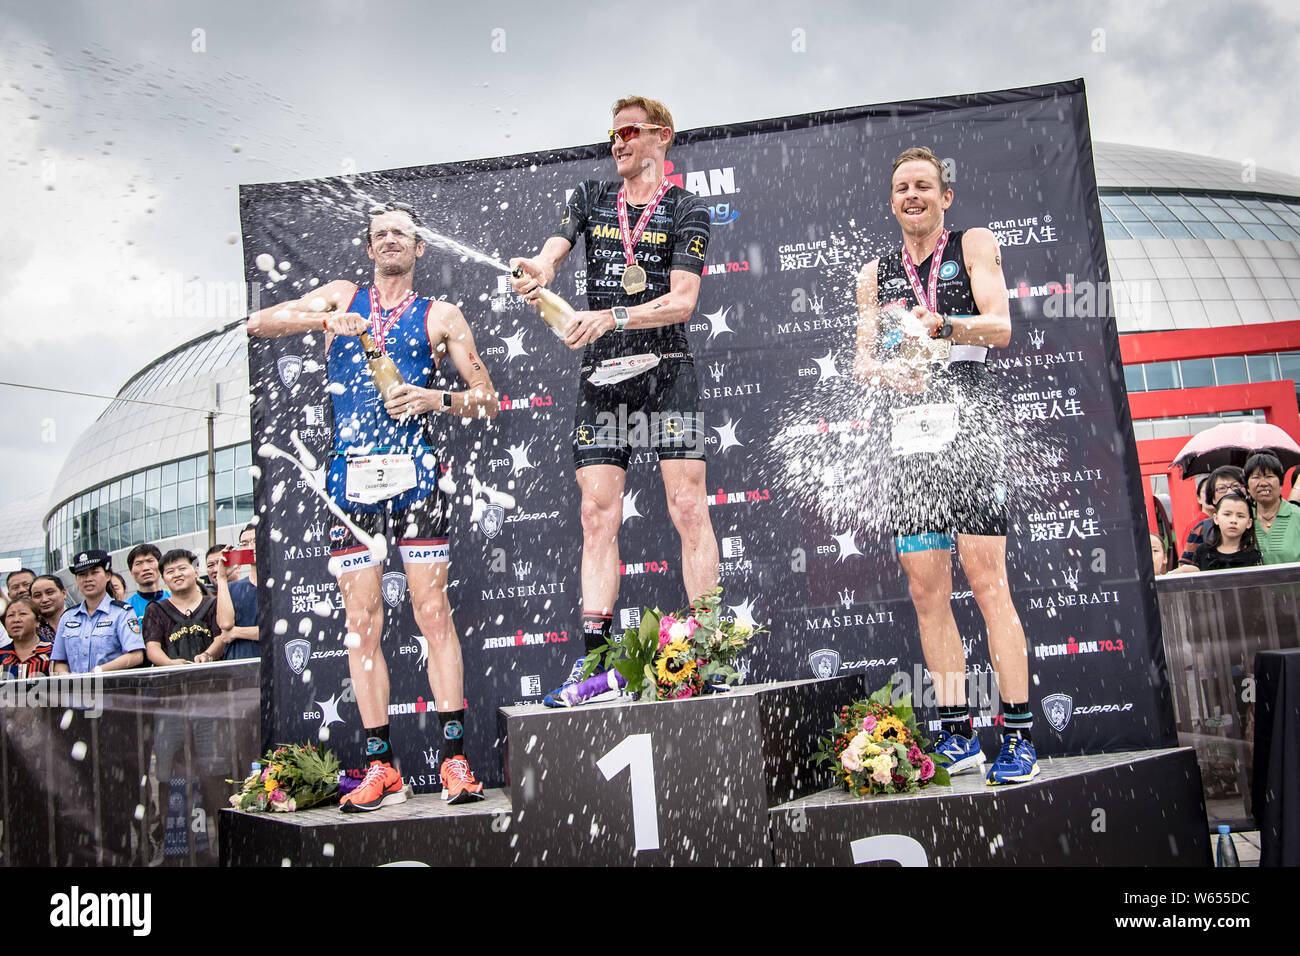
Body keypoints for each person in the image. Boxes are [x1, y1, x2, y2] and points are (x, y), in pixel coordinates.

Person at [247, 199, 499, 810]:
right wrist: (320, 322)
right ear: (367, 249)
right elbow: (260, 323)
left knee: (431, 612)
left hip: (415, 478)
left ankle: (454, 761)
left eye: (401, 234)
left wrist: (434, 400)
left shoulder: (442, 314)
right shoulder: (339, 297)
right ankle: (381, 767)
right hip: (348, 486)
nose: (389, 240)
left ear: (419, 249)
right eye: (379, 233)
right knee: (363, 624)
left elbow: (487, 398)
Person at [509, 94, 718, 707]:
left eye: (630, 132)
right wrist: (540, 269)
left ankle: (706, 651)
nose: (618, 142)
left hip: (667, 368)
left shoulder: (687, 209)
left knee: (687, 507)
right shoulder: (591, 198)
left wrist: (613, 315)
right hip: (605, 379)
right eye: (613, 133)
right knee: (597, 514)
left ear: (663, 137)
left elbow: (683, 302)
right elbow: (553, 250)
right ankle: (595, 663)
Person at [853, 146, 1036, 785]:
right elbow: (863, 363)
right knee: (928, 591)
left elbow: (1001, 326)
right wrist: (893, 372)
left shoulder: (973, 244)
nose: (912, 195)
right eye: (902, 186)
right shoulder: (876, 273)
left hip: (972, 433)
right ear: (892, 198)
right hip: (911, 442)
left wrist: (945, 328)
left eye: (924, 186)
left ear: (944, 197)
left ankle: (1017, 736)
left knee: (989, 586)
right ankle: (958, 736)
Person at [51, 550, 144, 674]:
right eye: (82, 575)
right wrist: (68, 678)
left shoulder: (122, 612)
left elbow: (136, 655)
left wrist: (99, 670)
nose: (88, 579)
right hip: (76, 691)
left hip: (111, 689)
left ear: (108, 576)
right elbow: (59, 661)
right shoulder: (68, 617)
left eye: (94, 573)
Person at [143, 550, 224, 666]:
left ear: (196, 572)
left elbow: (221, 637)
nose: (177, 574)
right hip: (171, 679)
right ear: (164, 578)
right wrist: (169, 664)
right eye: (170, 571)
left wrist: (207, 655)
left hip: (214, 675)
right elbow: (152, 647)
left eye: (182, 568)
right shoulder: (155, 610)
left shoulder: (215, 604)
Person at [1171, 491, 1262, 572]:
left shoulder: (1253, 555)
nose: (1233, 520)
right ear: (1216, 518)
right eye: (1227, 514)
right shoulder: (1202, 551)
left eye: (1240, 516)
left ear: (1249, 523)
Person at [1179, 466, 1246, 568]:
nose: (1229, 492)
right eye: (1222, 488)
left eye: (1235, 486)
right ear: (1212, 497)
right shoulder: (1202, 529)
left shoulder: (1257, 522)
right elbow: (1185, 570)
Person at [1245, 452, 1300, 564]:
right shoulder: (1242, 517)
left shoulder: (1297, 516)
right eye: (1256, 477)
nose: (1263, 483)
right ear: (1247, 487)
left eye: (1269, 476)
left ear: (1281, 483)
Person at [215, 524, 260, 661]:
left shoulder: (282, 585)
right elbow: (225, 625)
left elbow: (281, 630)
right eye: (244, 544)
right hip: (239, 664)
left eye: (255, 541)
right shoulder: (232, 587)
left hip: (275, 664)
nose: (251, 547)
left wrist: (236, 632)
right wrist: (222, 578)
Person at [1, 597, 54, 679]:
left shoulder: (52, 652)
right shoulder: (2, 655)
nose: (16, 620)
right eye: (10, 615)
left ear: (38, 621)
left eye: (22, 614)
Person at [126, 544, 170, 619]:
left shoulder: (175, 600)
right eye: (138, 564)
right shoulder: (127, 608)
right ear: (131, 572)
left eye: (150, 561)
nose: (145, 568)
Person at [29, 574, 68, 641]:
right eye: (37, 596)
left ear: (64, 593)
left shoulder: (81, 621)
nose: (44, 600)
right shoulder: (30, 630)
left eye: (50, 592)